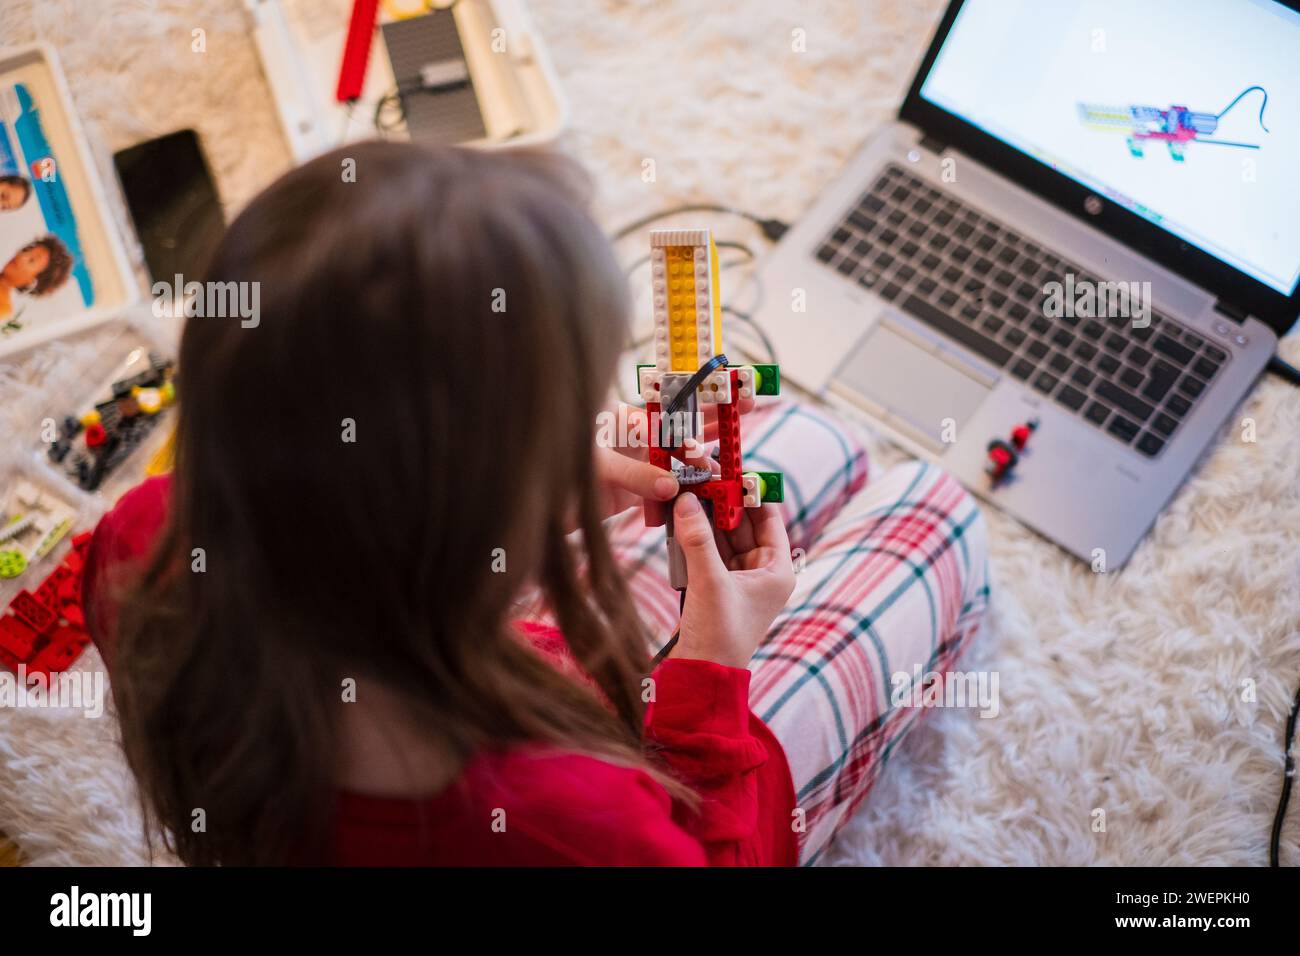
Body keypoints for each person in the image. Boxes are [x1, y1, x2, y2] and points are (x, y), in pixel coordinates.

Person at [83, 142, 989, 866]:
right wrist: (712, 675)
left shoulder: (139, 542)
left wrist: (542, 489)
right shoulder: (564, 823)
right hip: (680, 776)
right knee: (935, 506)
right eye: (559, 437)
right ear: (476, 528)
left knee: (810, 440)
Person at [0, 235, 73, 319]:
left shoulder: (3, 308)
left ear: (32, 282)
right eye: (26, 250)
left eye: (32, 260)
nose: (22, 256)